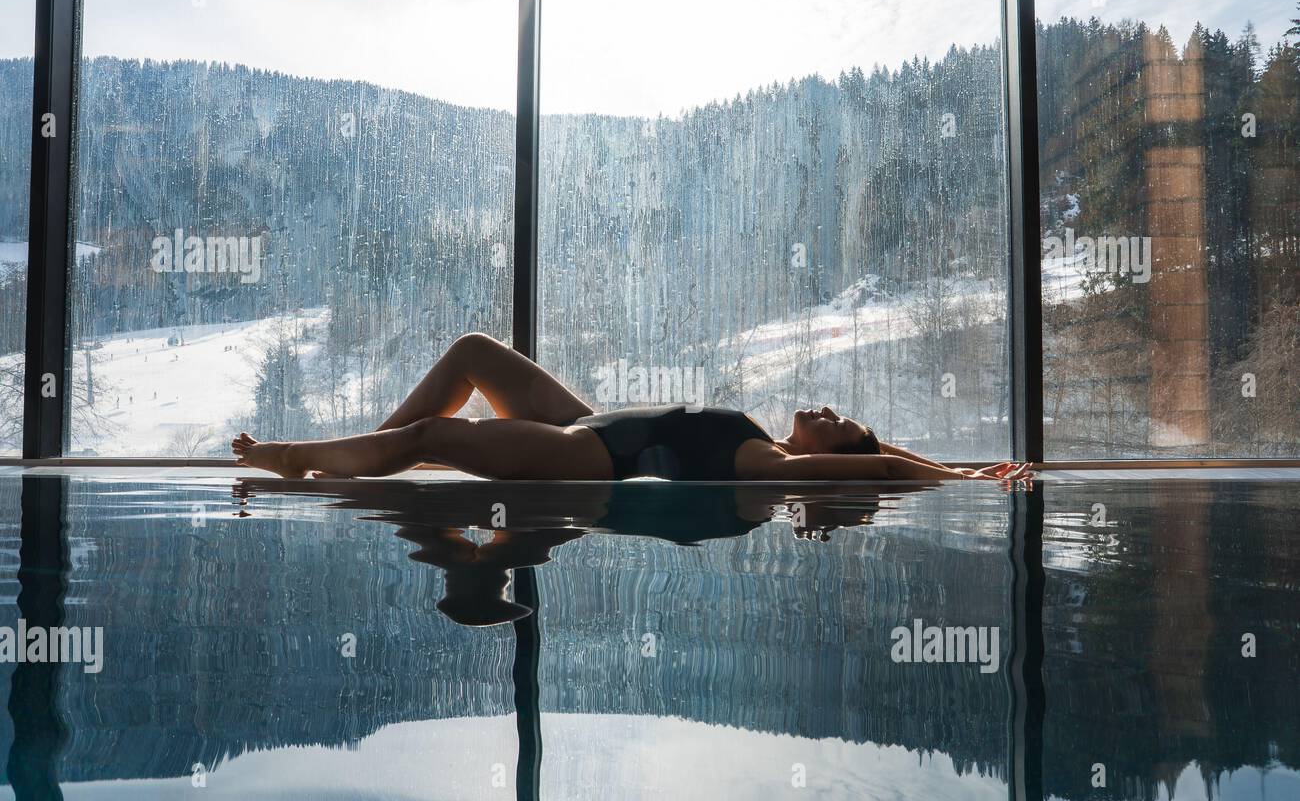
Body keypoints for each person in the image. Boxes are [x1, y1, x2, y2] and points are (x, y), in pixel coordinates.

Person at [231, 333, 1034, 483]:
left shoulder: (770, 467)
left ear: (832, 455)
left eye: (838, 424)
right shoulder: (765, 440)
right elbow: (879, 457)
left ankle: (296, 458)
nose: (826, 410)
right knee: (473, 352)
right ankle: (369, 453)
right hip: (589, 421)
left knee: (440, 435)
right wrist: (951, 467)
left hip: (590, 456)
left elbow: (882, 470)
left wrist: (962, 478)